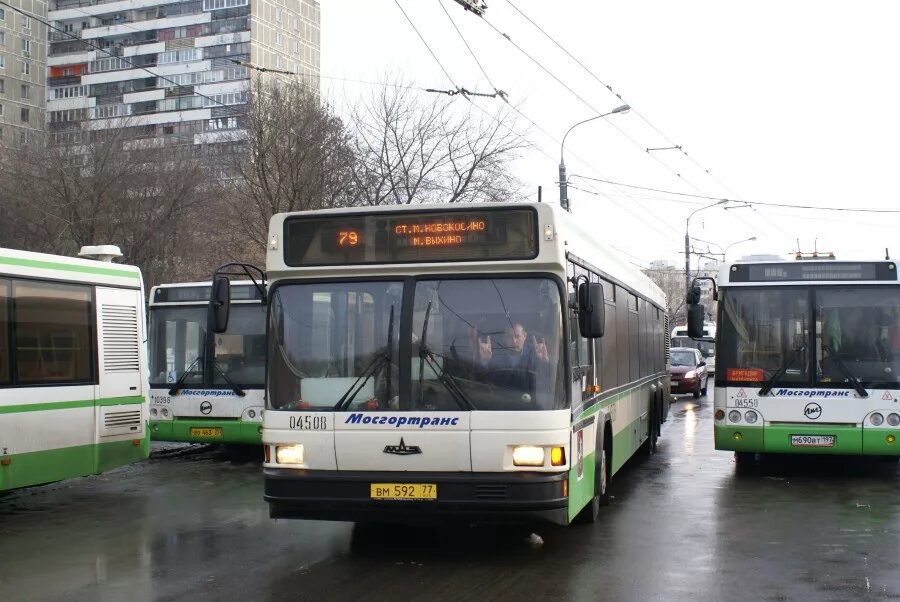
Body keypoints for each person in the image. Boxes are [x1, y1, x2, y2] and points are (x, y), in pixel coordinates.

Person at [474, 323, 550, 390]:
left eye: (517, 336)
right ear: (504, 339)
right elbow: (483, 381)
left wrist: (544, 362)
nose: (514, 341)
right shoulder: (495, 354)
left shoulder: (536, 352)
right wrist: (485, 360)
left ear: (525, 336)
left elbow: (549, 381)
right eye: (509, 337)